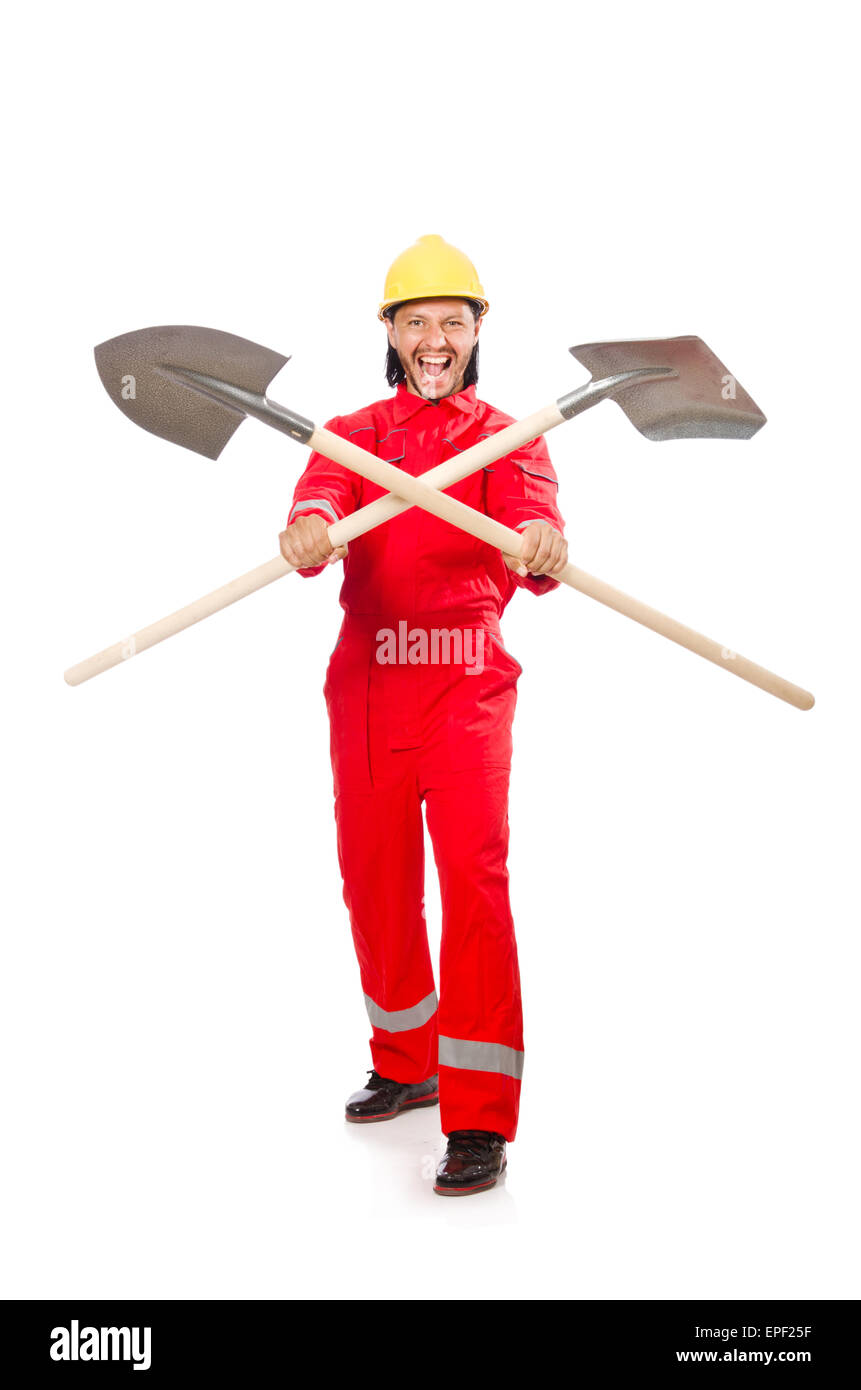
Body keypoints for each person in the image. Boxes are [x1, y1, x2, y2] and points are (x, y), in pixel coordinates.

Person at [278, 235, 567, 1196]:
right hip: (366, 685)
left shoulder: (511, 437)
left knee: (474, 890)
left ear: (478, 330)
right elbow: (316, 512)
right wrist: (307, 530)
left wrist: (539, 543)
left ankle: (478, 1116)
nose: (434, 339)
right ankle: (407, 1064)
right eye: (416, 323)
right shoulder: (349, 434)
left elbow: (537, 527)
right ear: (391, 335)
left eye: (452, 321)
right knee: (374, 880)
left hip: (464, 685)